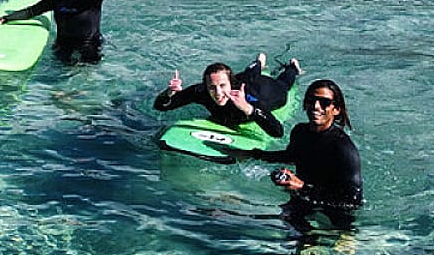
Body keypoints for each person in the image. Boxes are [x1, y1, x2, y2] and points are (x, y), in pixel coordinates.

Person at [237, 79, 363, 229]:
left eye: (324, 102)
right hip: (301, 199)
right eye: (311, 100)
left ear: (336, 109)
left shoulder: (344, 149)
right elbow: (291, 156)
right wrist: (253, 155)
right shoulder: (300, 132)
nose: (316, 106)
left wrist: (302, 187)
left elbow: (352, 202)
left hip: (335, 212)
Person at [154, 54, 301, 137]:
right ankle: (258, 63)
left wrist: (248, 109)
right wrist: (169, 93)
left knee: (283, 86)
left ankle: (293, 67)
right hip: (242, 79)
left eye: (222, 86)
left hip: (265, 90)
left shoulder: (248, 98)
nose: (218, 93)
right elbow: (160, 107)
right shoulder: (201, 92)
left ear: (231, 84)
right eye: (212, 87)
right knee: (248, 74)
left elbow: (277, 132)